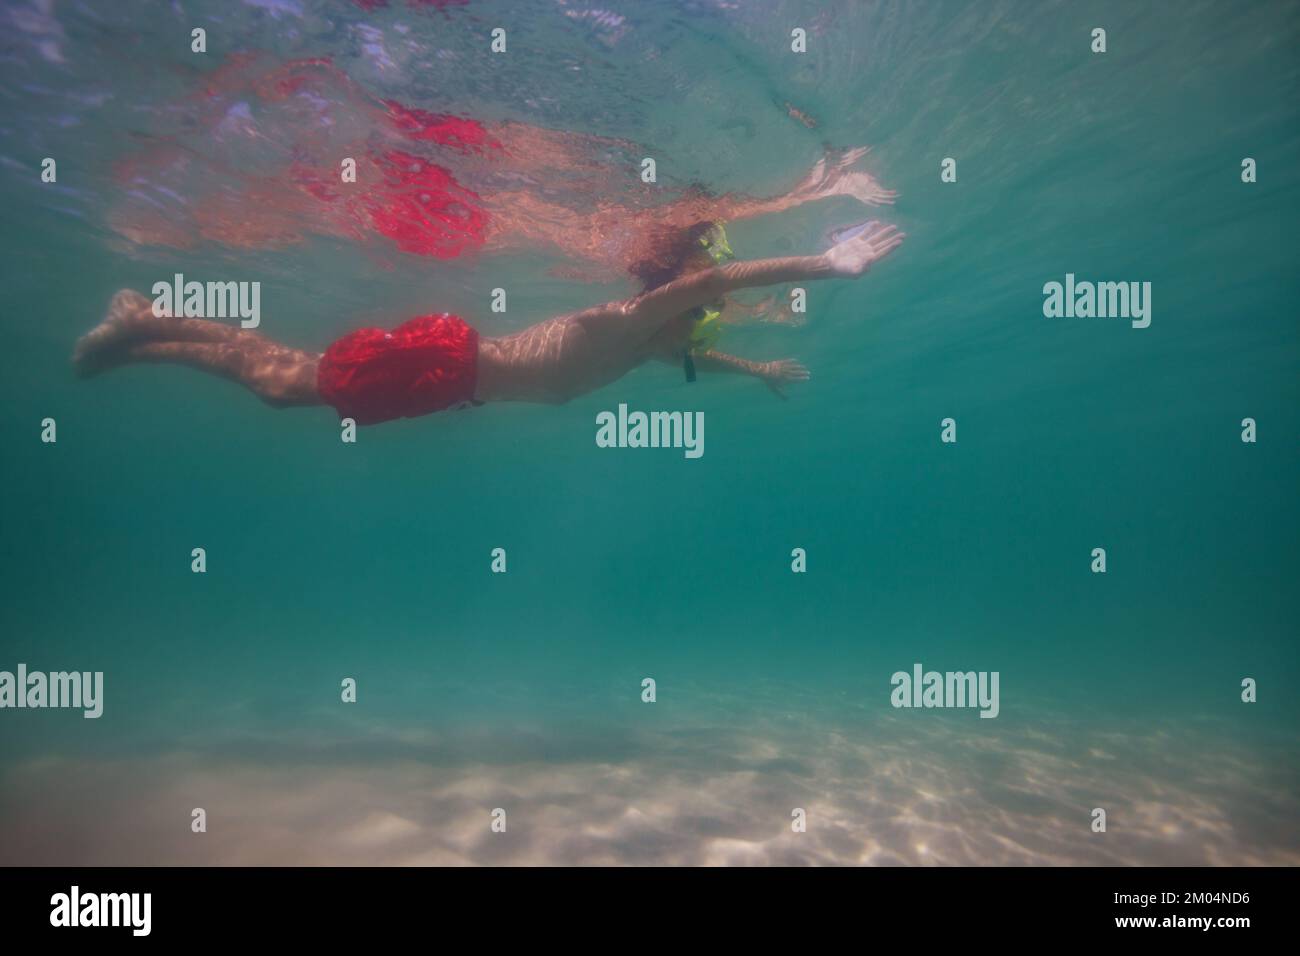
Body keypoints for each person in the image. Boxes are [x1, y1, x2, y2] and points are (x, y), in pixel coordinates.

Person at [72, 222, 903, 425]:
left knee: (288, 367)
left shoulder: (643, 348)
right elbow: (715, 275)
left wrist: (755, 372)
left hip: (449, 367)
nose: (700, 333)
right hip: (445, 370)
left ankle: (149, 320)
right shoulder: (627, 322)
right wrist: (830, 264)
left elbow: (690, 361)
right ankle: (138, 336)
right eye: (700, 319)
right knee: (279, 384)